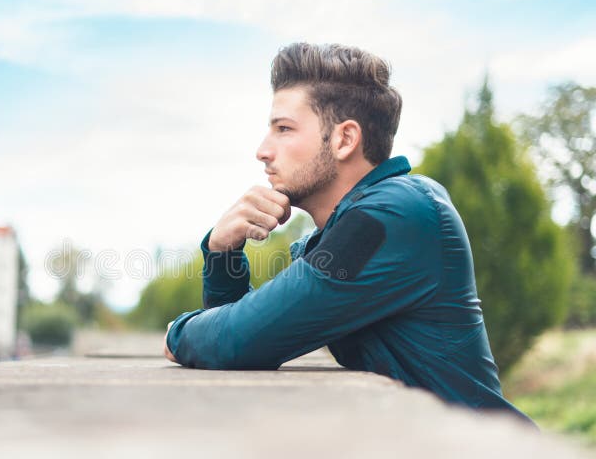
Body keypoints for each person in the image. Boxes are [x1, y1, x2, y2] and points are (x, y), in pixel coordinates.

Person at [163, 42, 534, 424]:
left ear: (344, 139)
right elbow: (248, 340)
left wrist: (178, 332)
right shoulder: (332, 237)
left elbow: (239, 340)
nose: (262, 150)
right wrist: (222, 253)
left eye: (284, 129)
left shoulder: (395, 215)